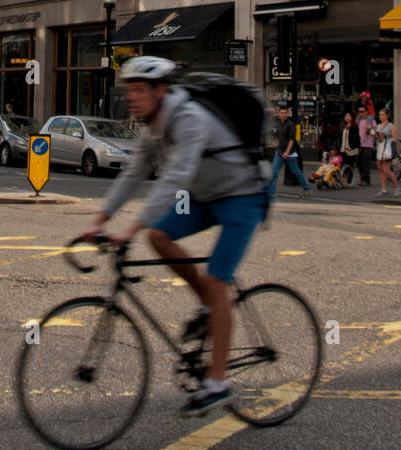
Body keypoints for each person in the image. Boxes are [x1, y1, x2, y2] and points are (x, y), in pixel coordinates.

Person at [77, 56, 267, 417]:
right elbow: (134, 172)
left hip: (242, 195)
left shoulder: (190, 119)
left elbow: (176, 176)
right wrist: (99, 219)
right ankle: (210, 305)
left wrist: (131, 227)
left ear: (161, 91)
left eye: (138, 90)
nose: (131, 98)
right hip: (204, 196)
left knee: (216, 279)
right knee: (159, 235)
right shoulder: (152, 126)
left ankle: (217, 383)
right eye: (128, 90)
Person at [268, 104, 313, 198]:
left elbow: (292, 140)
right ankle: (271, 190)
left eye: (285, 113)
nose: (283, 115)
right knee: (274, 171)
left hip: (290, 153)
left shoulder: (291, 125)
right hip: (280, 151)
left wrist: (287, 152)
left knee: (296, 171)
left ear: (287, 114)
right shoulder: (279, 123)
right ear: (279, 114)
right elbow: (279, 136)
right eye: (282, 113)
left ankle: (306, 188)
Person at [374, 109, 400, 198]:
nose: (381, 117)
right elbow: (377, 138)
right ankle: (384, 189)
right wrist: (376, 136)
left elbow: (395, 138)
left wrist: (385, 136)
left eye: (383, 115)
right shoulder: (378, 126)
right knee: (381, 170)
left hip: (387, 148)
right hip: (380, 148)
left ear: (387, 116)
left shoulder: (390, 126)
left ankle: (397, 188)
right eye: (380, 115)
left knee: (386, 169)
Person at [340, 110, 358, 184]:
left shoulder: (354, 127)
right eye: (346, 116)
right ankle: (343, 178)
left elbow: (355, 138)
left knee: (349, 164)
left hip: (350, 149)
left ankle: (349, 179)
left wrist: (351, 146)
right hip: (342, 148)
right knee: (342, 164)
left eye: (349, 116)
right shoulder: (343, 126)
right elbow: (339, 137)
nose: (347, 118)